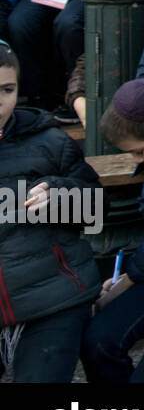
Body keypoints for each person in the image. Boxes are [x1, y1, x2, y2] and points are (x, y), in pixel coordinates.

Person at [0, 41, 100, 381]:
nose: (0, 101)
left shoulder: (48, 140)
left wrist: (60, 197)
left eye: (8, 89)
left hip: (53, 299)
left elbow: (96, 212)